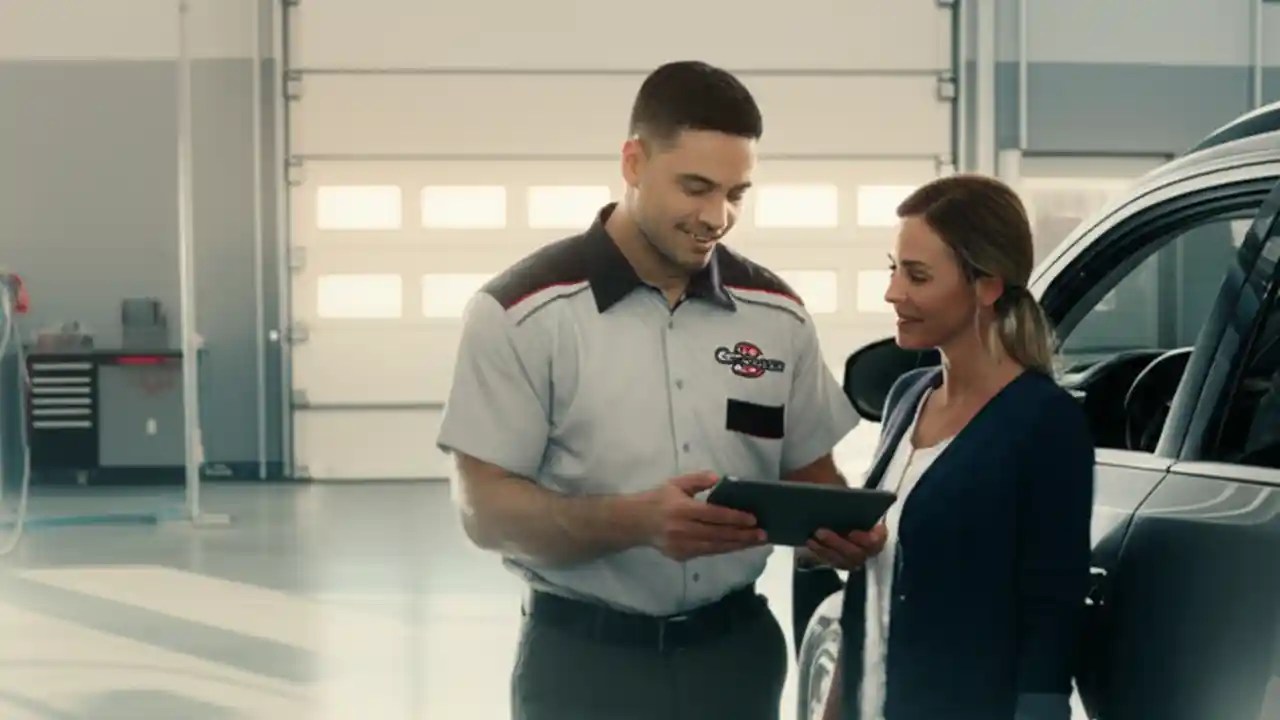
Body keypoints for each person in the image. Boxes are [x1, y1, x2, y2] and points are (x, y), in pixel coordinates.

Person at [435, 60, 879, 720]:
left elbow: (811, 473)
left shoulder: (776, 314)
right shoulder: (522, 314)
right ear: (634, 161)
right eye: (695, 187)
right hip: (582, 666)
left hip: (737, 660)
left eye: (736, 194)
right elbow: (484, 510)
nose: (717, 217)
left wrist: (836, 529)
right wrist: (637, 521)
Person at [819, 175, 1095, 720]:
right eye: (893, 270)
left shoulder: (1045, 422)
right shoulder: (907, 397)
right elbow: (872, 588)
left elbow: (1052, 613)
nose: (893, 292)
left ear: (987, 285)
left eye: (917, 276)